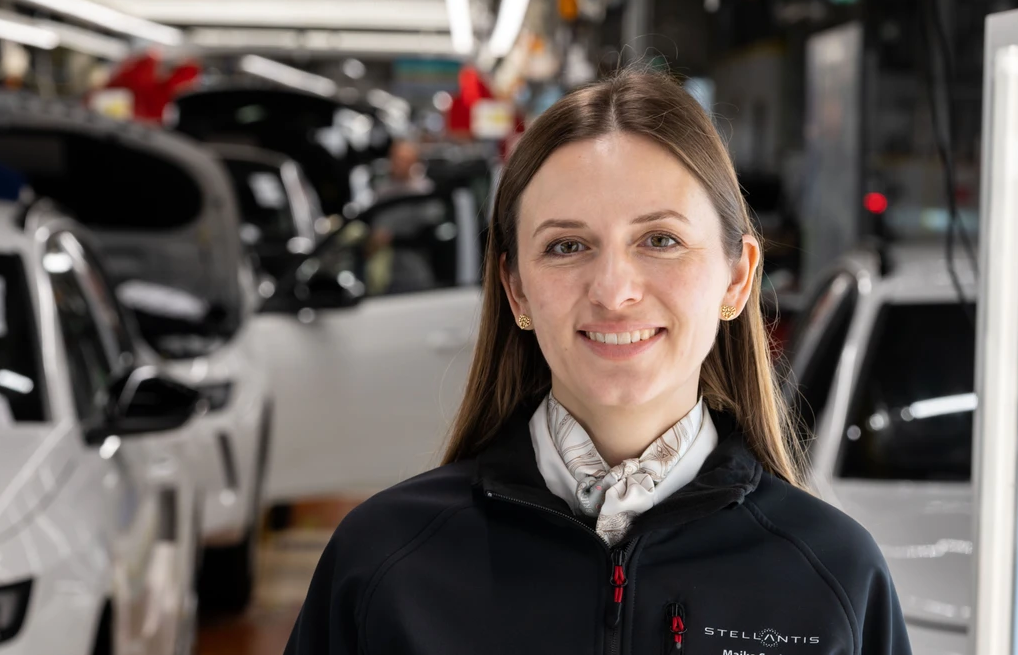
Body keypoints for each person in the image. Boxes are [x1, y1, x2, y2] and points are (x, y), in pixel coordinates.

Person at [285, 69, 910, 654]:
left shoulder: (835, 577)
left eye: (660, 240)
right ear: (517, 289)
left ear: (737, 278)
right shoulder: (383, 566)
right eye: (567, 245)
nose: (614, 291)